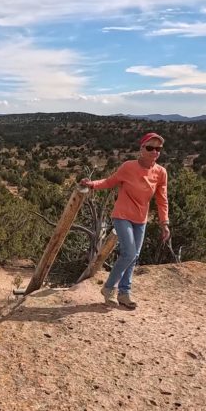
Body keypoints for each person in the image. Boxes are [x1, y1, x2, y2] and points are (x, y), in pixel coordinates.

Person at [80, 132, 171, 308]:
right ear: (141, 149)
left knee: (133, 256)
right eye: (150, 148)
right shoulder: (128, 167)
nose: (154, 152)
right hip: (122, 215)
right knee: (129, 253)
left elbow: (162, 199)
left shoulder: (161, 172)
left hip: (141, 219)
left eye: (158, 149)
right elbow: (110, 181)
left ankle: (124, 293)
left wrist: (164, 223)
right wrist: (92, 184)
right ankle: (109, 288)